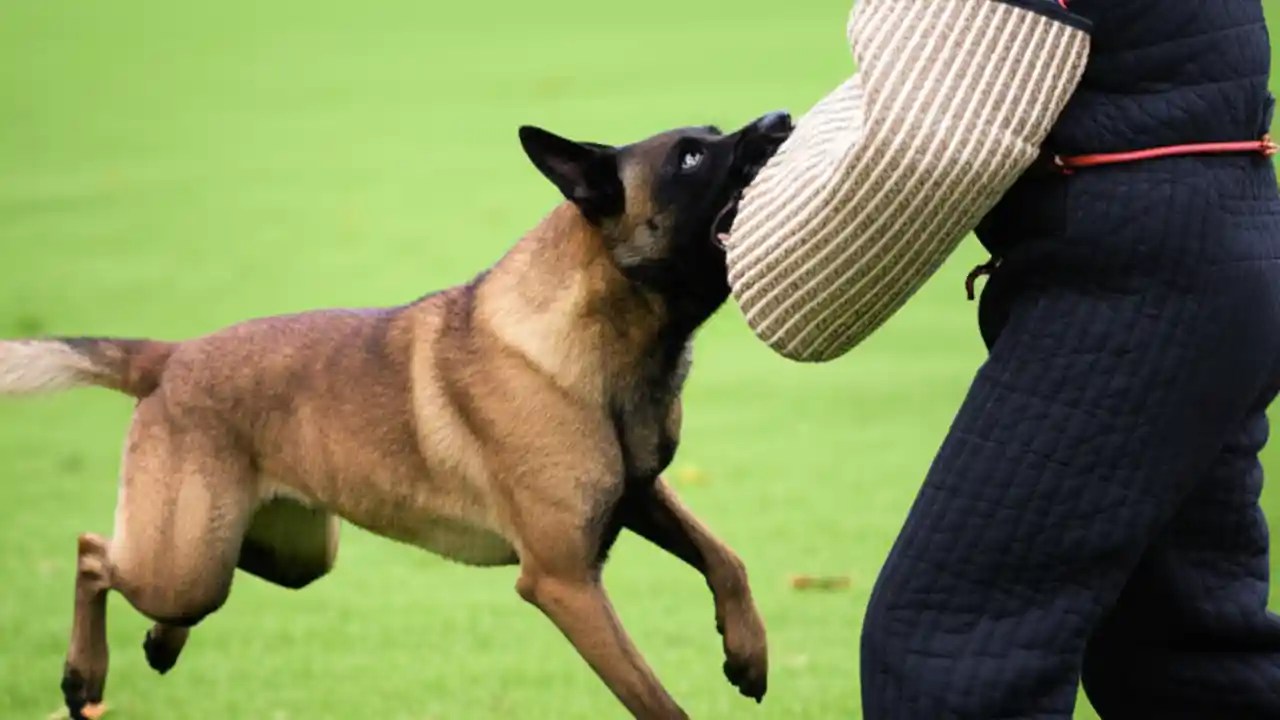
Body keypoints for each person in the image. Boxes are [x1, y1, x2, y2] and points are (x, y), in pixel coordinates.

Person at [725, 0, 1280, 717]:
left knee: (948, 653)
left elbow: (932, 135)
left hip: (1132, 283)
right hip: (1222, 248)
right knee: (1181, 660)